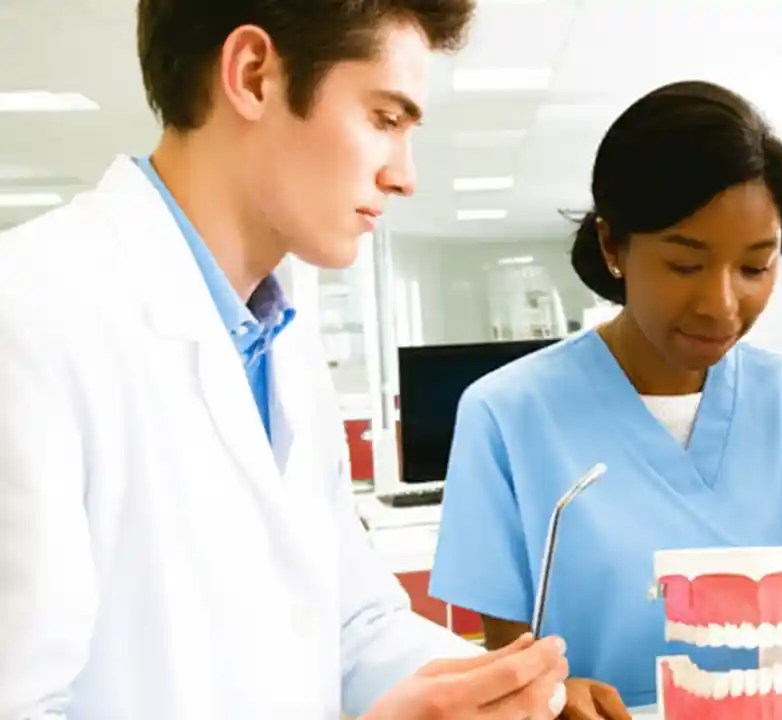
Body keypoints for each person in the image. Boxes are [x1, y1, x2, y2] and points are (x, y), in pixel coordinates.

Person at [0, 2, 569, 718]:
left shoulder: (277, 342)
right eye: (385, 119)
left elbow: (353, 626)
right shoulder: (28, 315)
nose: (404, 176)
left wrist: (509, 690)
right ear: (253, 76)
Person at [428, 80, 782, 720]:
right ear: (613, 245)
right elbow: (507, 671)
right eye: (684, 265)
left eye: (754, 268)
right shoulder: (507, 414)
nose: (721, 306)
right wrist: (553, 696)